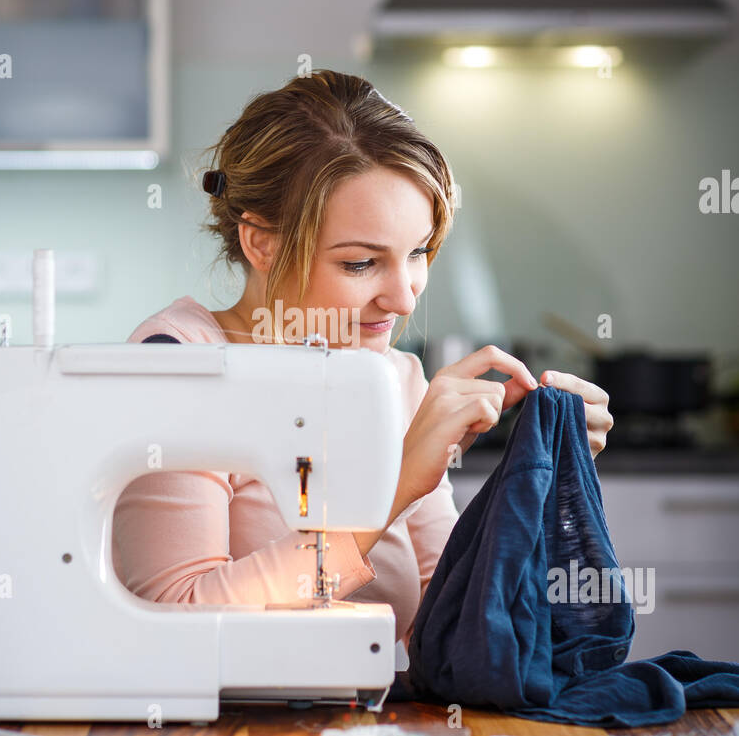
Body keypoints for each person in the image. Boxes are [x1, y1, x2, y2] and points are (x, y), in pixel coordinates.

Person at [112, 69, 613, 648]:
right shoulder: (177, 361)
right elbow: (174, 619)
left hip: (372, 731)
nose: (404, 299)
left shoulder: (395, 379)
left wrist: (540, 479)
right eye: (360, 263)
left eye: (418, 253)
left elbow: (454, 627)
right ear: (261, 243)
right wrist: (397, 485)